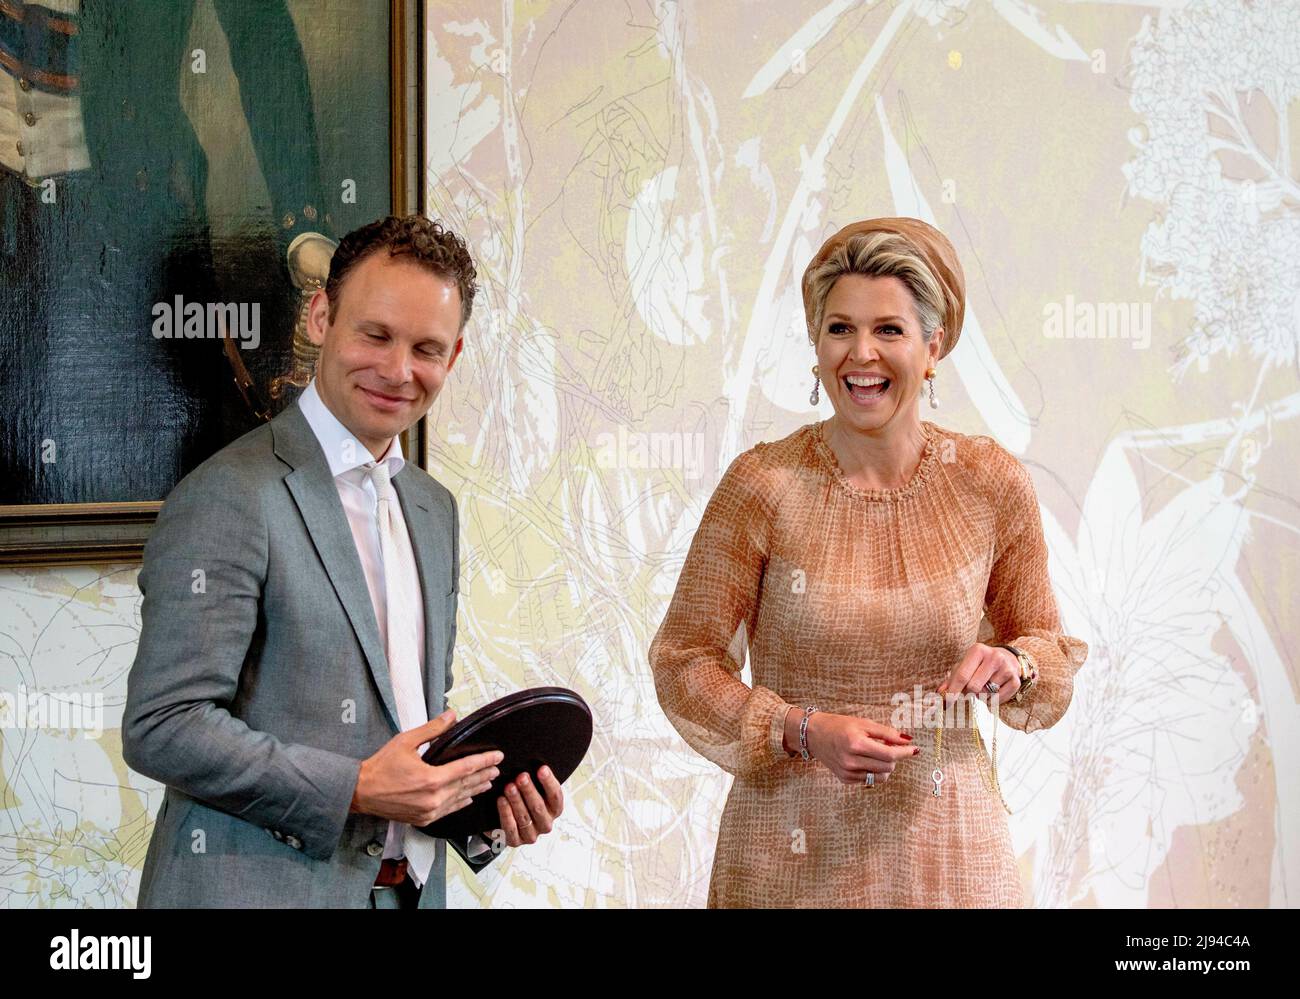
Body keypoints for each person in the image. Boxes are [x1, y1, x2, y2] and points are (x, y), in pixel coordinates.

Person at [123, 215, 564, 909]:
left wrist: (486, 810)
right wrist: (354, 787)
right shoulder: (228, 495)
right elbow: (164, 724)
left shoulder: (433, 508)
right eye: (376, 334)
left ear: (452, 359)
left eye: (427, 348)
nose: (398, 371)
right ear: (322, 315)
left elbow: (412, 724)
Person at [648, 217, 1088, 907]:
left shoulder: (989, 481)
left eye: (889, 330)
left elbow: (1050, 659)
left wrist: (1016, 663)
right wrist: (802, 729)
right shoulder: (762, 484)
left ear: (933, 346)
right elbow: (684, 661)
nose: (861, 354)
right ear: (817, 345)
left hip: (949, 856)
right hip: (790, 857)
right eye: (839, 328)